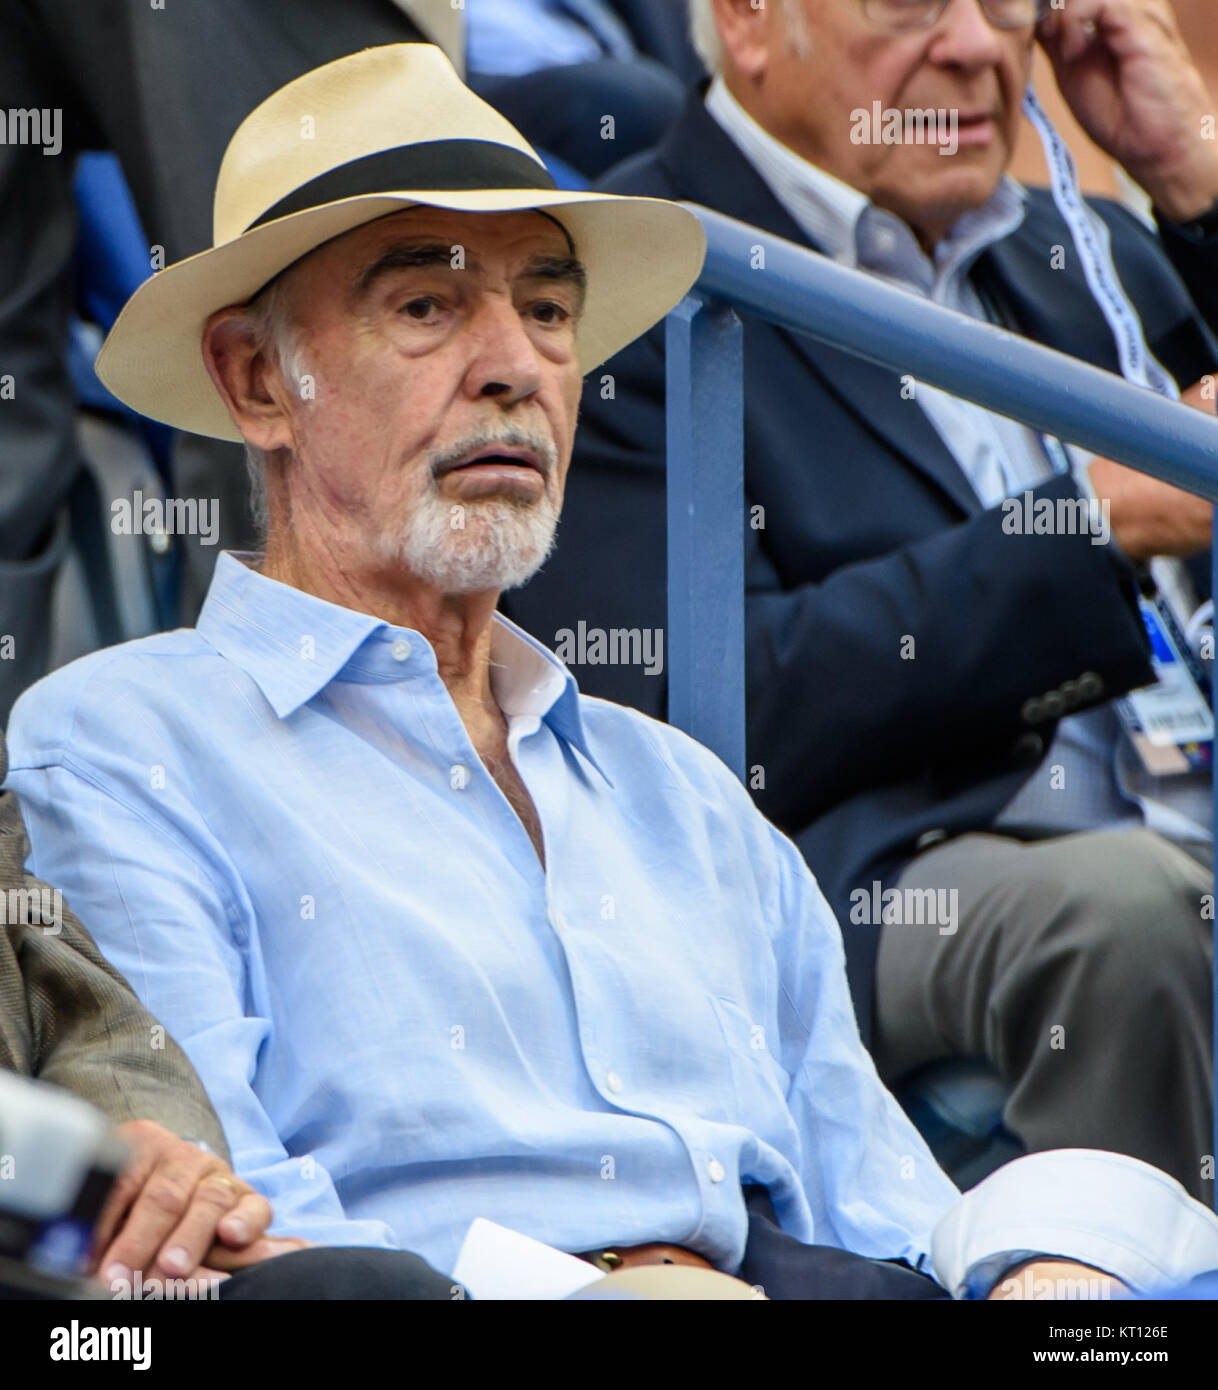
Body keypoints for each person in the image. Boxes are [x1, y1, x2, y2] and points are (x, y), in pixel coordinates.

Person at [8, 42, 1218, 1299]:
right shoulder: (121, 743)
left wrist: (1048, 1262)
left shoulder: (685, 796)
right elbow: (231, 1231)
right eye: (425, 307)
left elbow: (888, 1210)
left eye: (545, 309)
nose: (516, 365)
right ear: (260, 380)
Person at [503, 0, 1218, 1197]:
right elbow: (674, 710)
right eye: (912, 4)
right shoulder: (629, 285)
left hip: (1162, 808)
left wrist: (1194, 180)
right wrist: (1084, 533)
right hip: (873, 872)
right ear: (746, 21)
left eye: (1007, 4)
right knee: (1132, 912)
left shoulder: (1086, 249)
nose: (977, 45)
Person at [0, 733, 455, 1299]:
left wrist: (156, 1171)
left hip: (69, 1258)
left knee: (360, 1286)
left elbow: (92, 1019)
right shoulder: (111, 730)